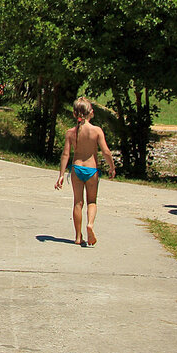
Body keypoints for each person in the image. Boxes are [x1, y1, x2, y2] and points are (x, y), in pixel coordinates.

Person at [55, 97, 116, 246]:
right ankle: (90, 224)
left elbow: (65, 154)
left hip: (76, 169)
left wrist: (61, 175)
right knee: (92, 201)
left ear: (75, 114)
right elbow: (106, 151)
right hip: (91, 169)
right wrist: (112, 167)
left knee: (77, 202)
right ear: (91, 113)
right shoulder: (96, 131)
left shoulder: (71, 132)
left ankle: (77, 236)